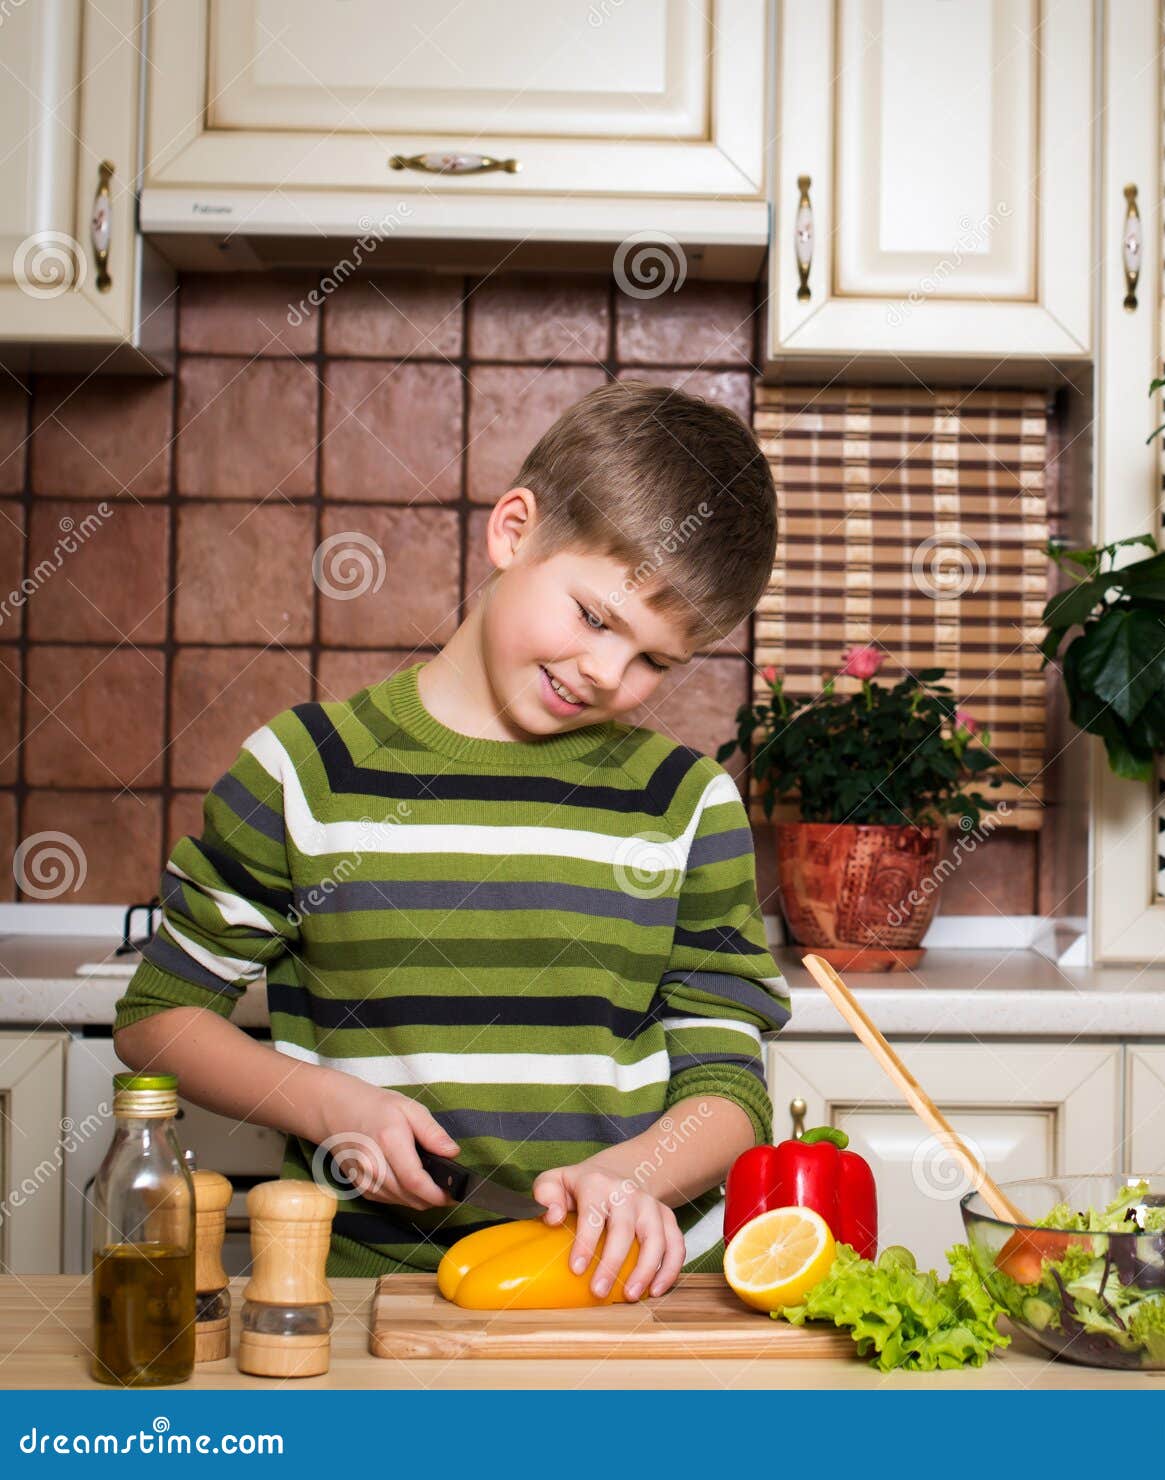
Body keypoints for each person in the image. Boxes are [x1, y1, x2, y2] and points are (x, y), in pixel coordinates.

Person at [113, 380, 788, 1301]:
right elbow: (157, 1016)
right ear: (514, 530)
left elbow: (729, 1085)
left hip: (627, 1290)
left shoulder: (687, 805)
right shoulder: (306, 772)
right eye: (595, 618)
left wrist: (637, 1175)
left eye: (654, 663)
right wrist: (331, 1105)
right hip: (364, 1292)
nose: (604, 672)